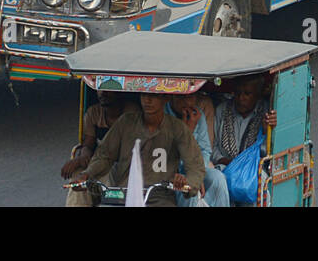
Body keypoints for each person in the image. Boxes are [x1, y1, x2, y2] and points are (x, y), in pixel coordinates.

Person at [76, 93, 205, 207]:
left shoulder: (177, 128)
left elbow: (195, 165)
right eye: (144, 95)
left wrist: (187, 183)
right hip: (124, 194)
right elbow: (104, 156)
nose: (147, 100)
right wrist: (87, 174)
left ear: (165, 98)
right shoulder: (125, 122)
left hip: (160, 197)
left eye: (153, 96)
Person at [168, 93, 230, 207]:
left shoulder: (196, 114)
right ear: (173, 97)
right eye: (182, 97)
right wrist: (187, 130)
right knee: (189, 188)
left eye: (190, 98)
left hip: (194, 168)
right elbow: (170, 156)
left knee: (218, 178)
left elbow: (205, 150)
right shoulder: (164, 115)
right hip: (171, 173)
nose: (187, 103)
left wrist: (197, 172)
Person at [212, 76, 277, 171]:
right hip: (225, 168)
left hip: (254, 170)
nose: (241, 98)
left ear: (257, 95)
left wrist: (265, 131)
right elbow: (214, 147)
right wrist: (230, 163)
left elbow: (267, 152)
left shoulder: (266, 112)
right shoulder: (222, 110)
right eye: (238, 93)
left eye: (247, 94)